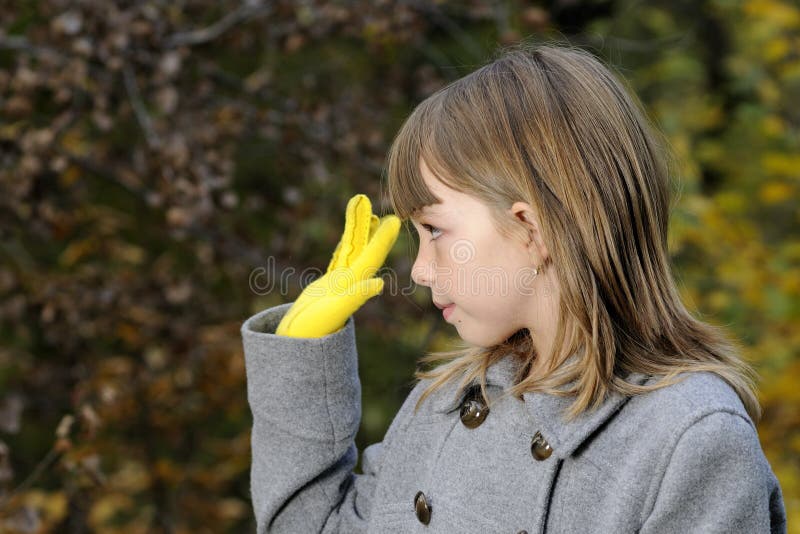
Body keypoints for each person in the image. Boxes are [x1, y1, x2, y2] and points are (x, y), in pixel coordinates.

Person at [241, 42, 787, 533]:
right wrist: (303, 348)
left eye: (434, 230)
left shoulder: (692, 441)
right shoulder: (445, 405)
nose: (419, 270)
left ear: (532, 228)